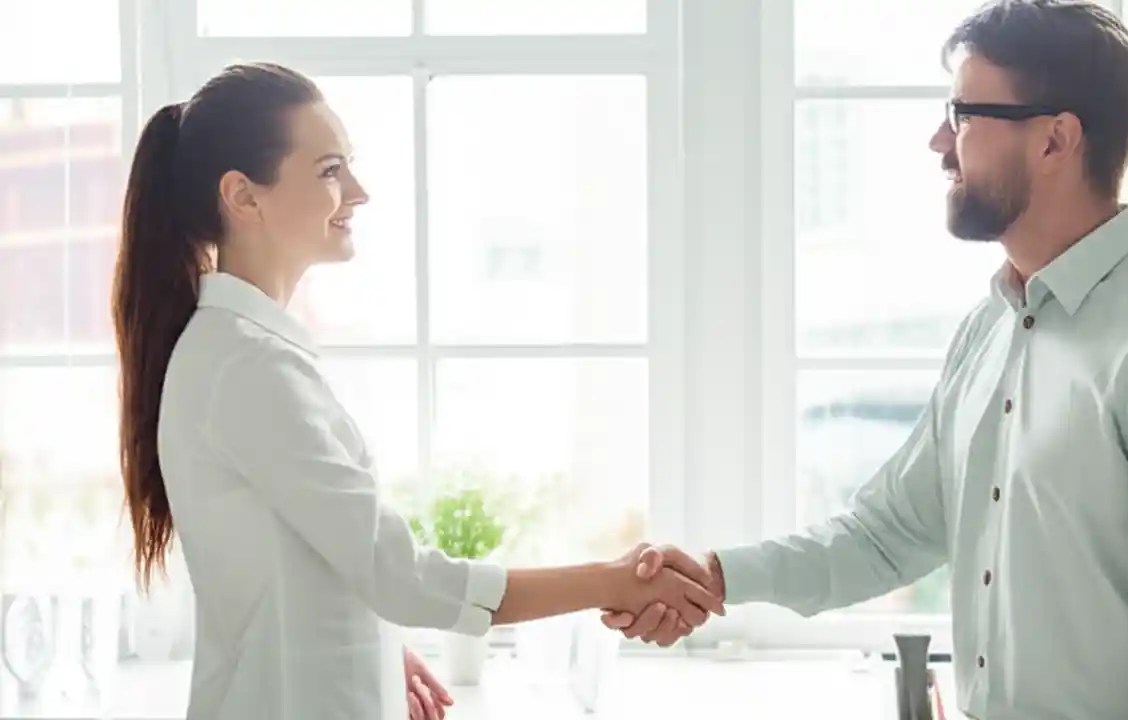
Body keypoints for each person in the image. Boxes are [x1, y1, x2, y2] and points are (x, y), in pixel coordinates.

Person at [607, 1, 1128, 718]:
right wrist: (714, 576)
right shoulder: (989, 329)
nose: (937, 142)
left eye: (963, 116)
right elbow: (885, 536)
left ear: (1056, 139)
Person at [111, 62, 723, 720]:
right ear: (244, 196)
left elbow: (303, 565)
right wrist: (608, 579)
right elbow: (401, 577)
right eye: (328, 170)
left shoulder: (245, 353)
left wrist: (371, 643)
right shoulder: (249, 368)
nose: (359, 191)